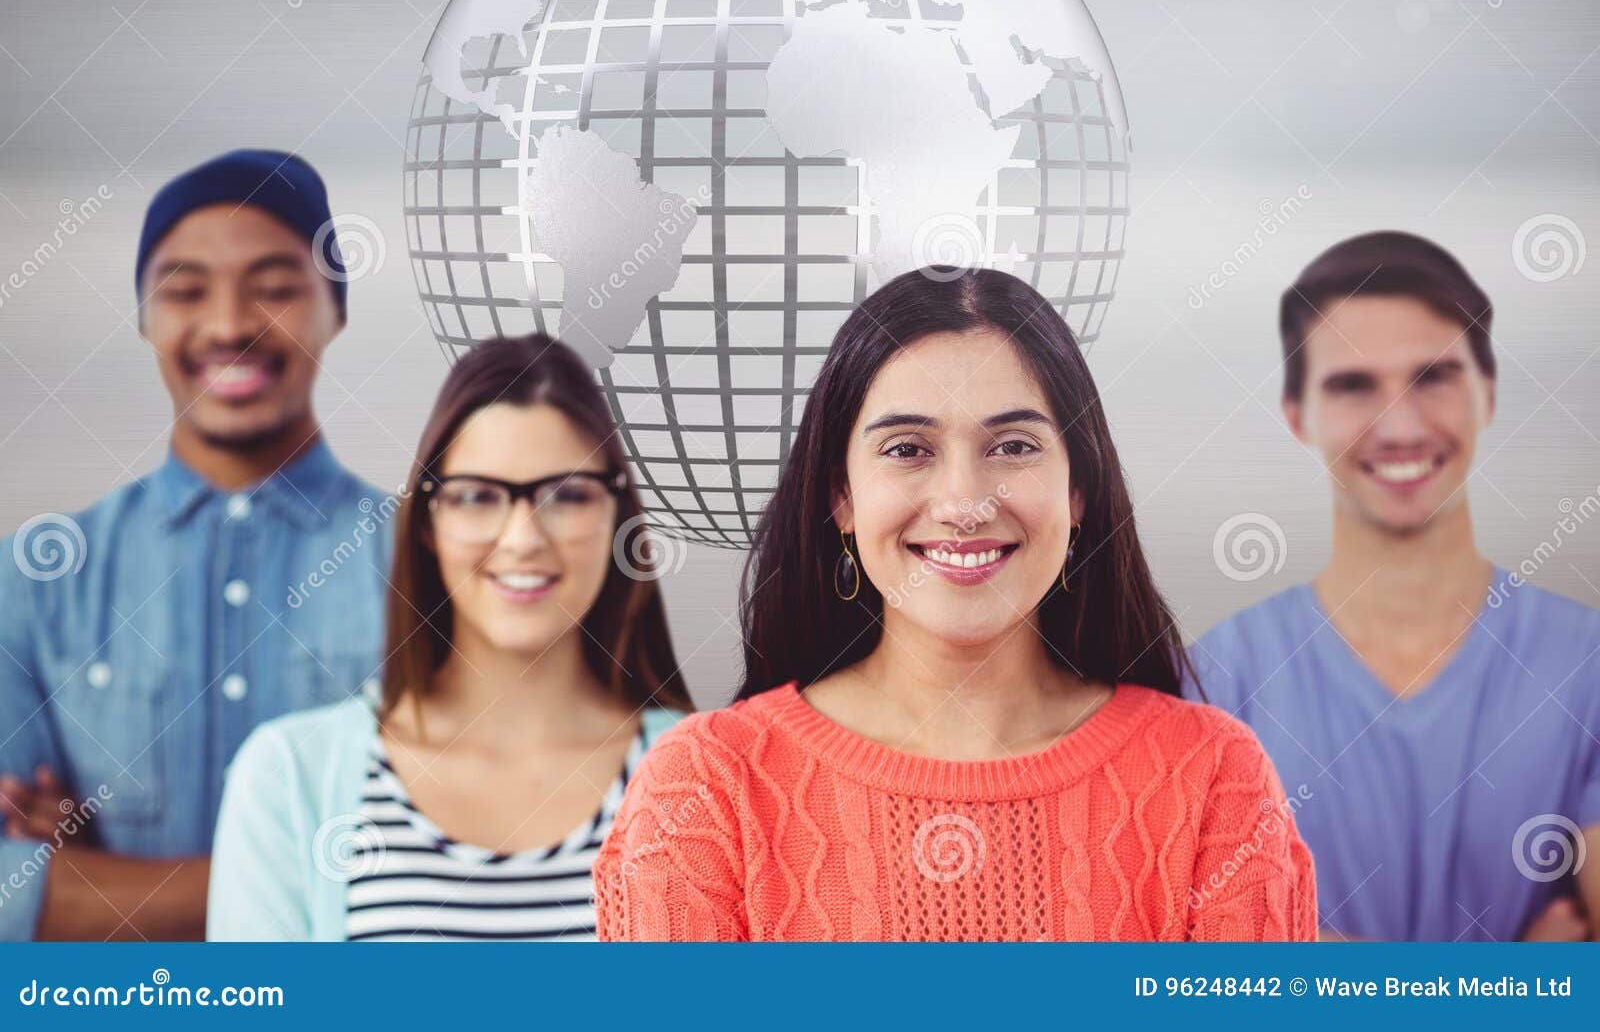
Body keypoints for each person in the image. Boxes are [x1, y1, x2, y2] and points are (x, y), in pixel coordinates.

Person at [594, 267, 1316, 941]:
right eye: (908, 449)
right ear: (840, 497)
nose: (965, 504)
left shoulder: (1215, 776)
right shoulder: (706, 788)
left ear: (1078, 493)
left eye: (1012, 445)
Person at [0, 149, 388, 940]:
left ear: (334, 308)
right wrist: (327, 877)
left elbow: (495, 848)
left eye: (276, 287)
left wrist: (99, 877)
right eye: (183, 289)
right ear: (145, 315)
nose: (230, 325)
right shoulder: (30, 583)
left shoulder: (439, 561)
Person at [1185, 231, 1600, 942]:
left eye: (1433, 376)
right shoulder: (1217, 683)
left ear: (1488, 393)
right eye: (1353, 385)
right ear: (1296, 416)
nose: (1400, 425)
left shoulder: (1585, 666)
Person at [208, 333, 694, 940]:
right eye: (478, 496)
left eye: (567, 494)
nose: (523, 538)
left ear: (615, 516)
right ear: (428, 524)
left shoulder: (708, 776)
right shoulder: (287, 776)